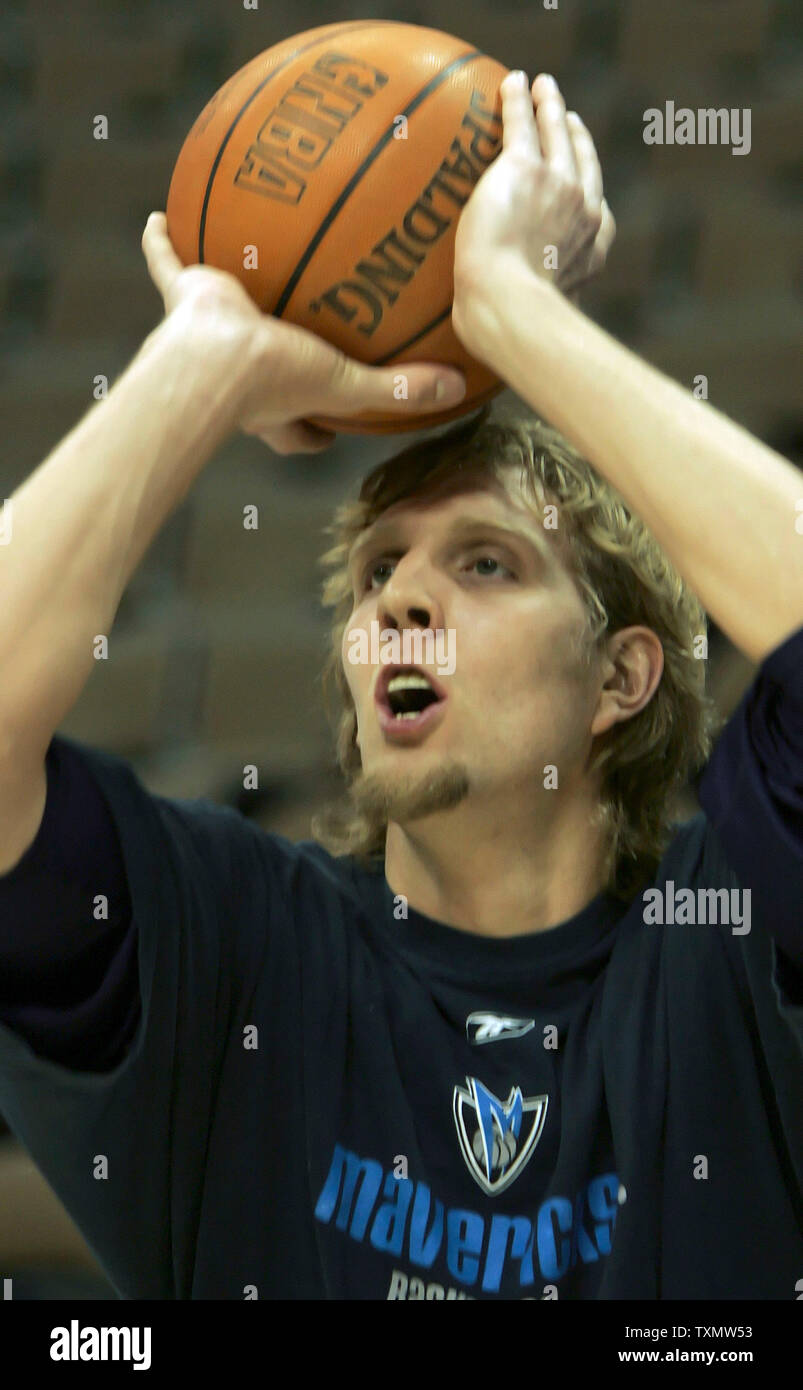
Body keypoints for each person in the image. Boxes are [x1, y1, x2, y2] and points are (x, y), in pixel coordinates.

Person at [0, 72, 800, 1300]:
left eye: (485, 563)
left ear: (621, 674)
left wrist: (512, 313)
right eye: (376, 574)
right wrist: (198, 358)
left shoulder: (729, 944)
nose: (397, 605)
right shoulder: (243, 952)